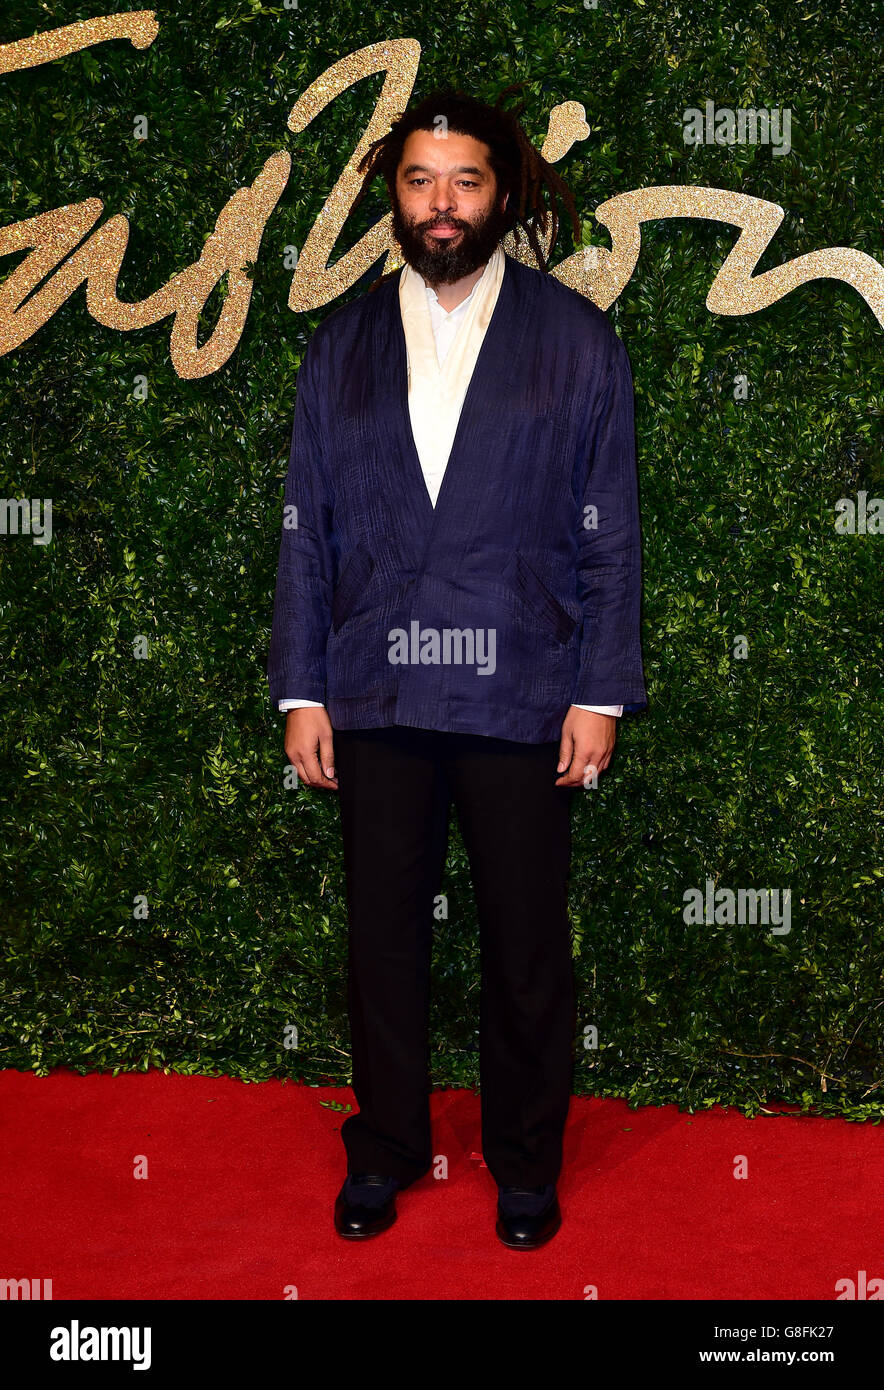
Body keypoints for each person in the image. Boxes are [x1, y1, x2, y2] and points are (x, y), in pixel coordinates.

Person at [268, 87, 646, 1249]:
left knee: (525, 943)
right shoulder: (339, 346)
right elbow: (307, 528)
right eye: (420, 181)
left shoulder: (573, 341)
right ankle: (384, 1146)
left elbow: (609, 534)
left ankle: (524, 1161)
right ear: (394, 195)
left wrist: (597, 692)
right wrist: (301, 690)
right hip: (374, 689)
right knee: (381, 938)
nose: (441, 204)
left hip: (521, 688)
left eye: (464, 181)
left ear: (504, 192)